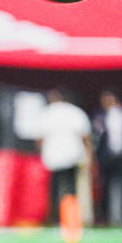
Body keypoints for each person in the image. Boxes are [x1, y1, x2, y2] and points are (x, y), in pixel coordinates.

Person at [38, 88, 93, 226]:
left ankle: (55, 219)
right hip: (72, 156)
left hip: (52, 158)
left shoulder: (47, 113)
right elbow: (86, 138)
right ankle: (69, 220)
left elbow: (39, 138)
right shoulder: (75, 112)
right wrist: (89, 157)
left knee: (54, 190)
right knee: (70, 190)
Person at [93, 89, 122, 226]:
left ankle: (119, 217)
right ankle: (108, 217)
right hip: (106, 157)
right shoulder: (100, 115)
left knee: (120, 186)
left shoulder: (121, 113)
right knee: (105, 187)